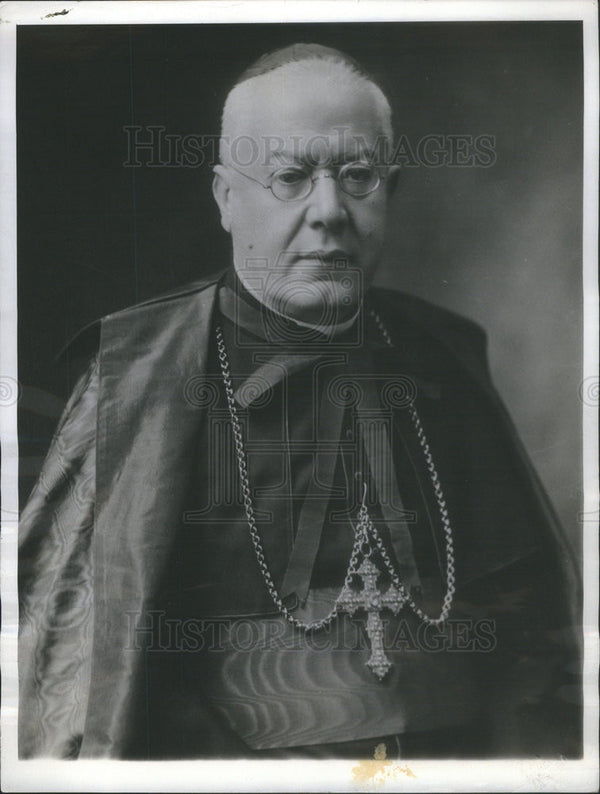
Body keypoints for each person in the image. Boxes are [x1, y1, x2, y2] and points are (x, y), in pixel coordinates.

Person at [18, 43, 581, 760]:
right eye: (289, 176)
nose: (329, 212)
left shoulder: (448, 356)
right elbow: (78, 678)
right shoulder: (136, 372)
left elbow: (533, 642)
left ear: (391, 189)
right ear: (226, 198)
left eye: (358, 177)